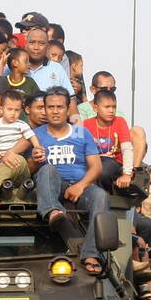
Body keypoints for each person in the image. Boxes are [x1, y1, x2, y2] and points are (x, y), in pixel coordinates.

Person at [32, 88, 111, 276]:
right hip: (50, 185)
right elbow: (27, 170)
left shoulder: (80, 133)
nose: (55, 111)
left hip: (80, 185)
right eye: (50, 107)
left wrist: (80, 185)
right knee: (48, 169)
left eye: (60, 107)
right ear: (44, 109)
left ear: (68, 110)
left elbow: (96, 167)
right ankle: (52, 211)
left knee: (100, 195)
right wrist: (33, 160)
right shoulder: (36, 134)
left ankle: (91, 253)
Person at [80, 90, 135, 192]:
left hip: (113, 164)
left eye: (114, 107)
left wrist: (127, 174)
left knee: (104, 170)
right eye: (107, 107)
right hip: (93, 162)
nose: (111, 111)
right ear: (96, 108)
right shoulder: (86, 124)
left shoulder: (120, 122)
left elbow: (127, 149)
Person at [22, 27, 72, 93]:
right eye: (32, 42)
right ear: (25, 45)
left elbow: (71, 98)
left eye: (41, 43)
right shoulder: (13, 67)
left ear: (47, 47)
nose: (36, 47)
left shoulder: (57, 68)